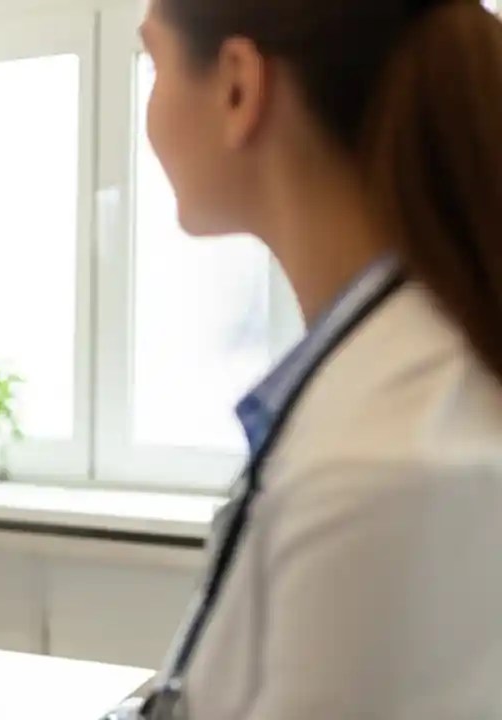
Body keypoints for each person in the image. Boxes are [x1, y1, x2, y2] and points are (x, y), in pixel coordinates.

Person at [103, 0, 502, 718]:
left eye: (154, 64)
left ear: (237, 87)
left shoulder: (383, 467)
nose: (149, 110)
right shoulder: (399, 385)